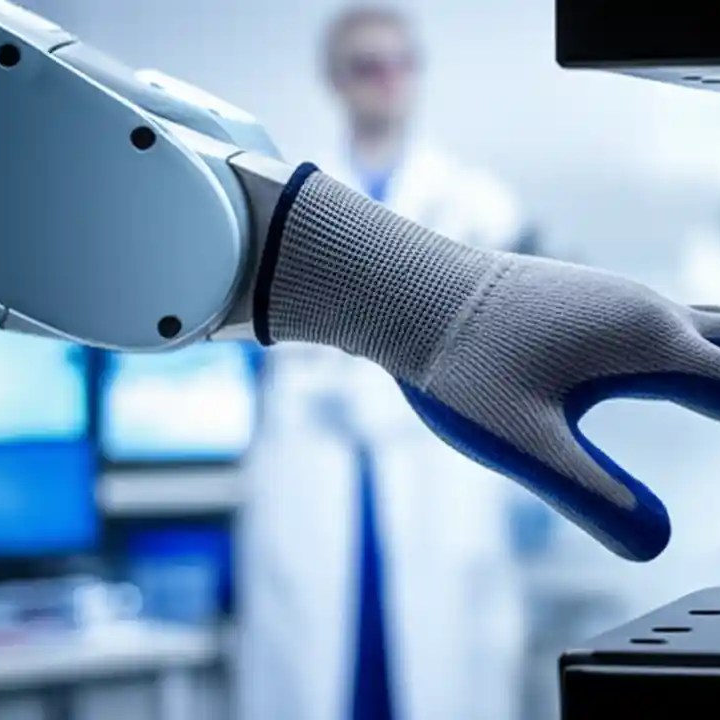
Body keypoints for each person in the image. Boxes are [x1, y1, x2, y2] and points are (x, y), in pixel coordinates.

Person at [240, 5, 533, 720]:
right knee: (320, 668)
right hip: (317, 468)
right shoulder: (281, 197)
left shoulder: (478, 205)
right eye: (367, 66)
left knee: (440, 662)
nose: (388, 81)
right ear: (335, 80)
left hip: (436, 471)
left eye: (401, 63)